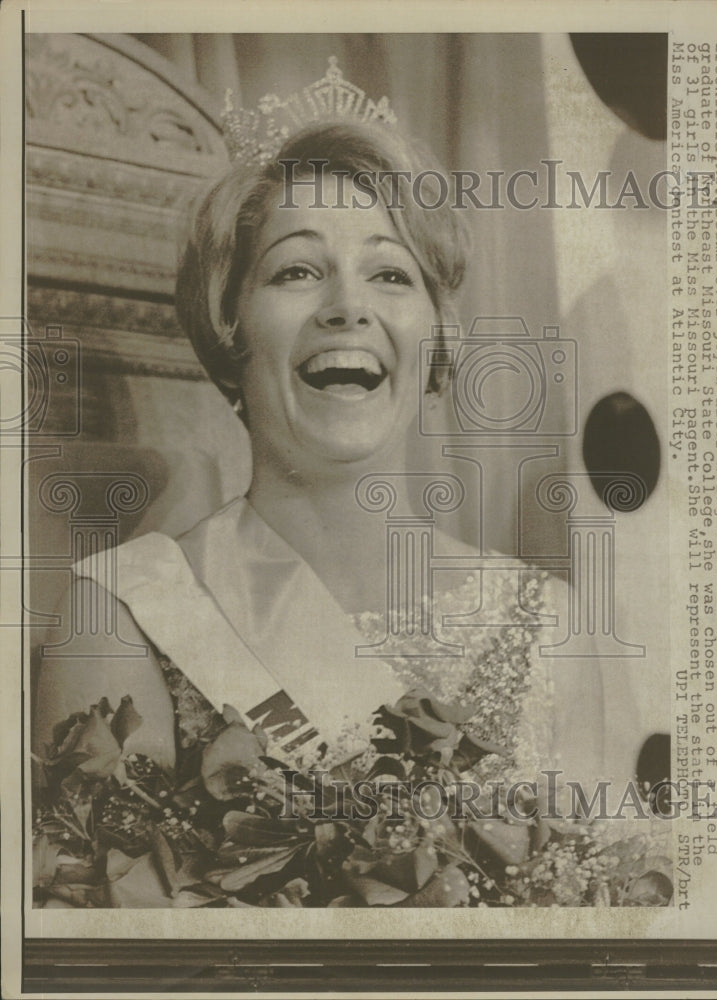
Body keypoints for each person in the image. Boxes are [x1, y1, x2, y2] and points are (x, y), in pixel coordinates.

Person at [34, 60, 612, 800]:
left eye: (392, 275)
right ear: (229, 325)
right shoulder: (124, 613)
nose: (348, 307)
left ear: (437, 336)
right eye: (296, 271)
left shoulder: (549, 626)